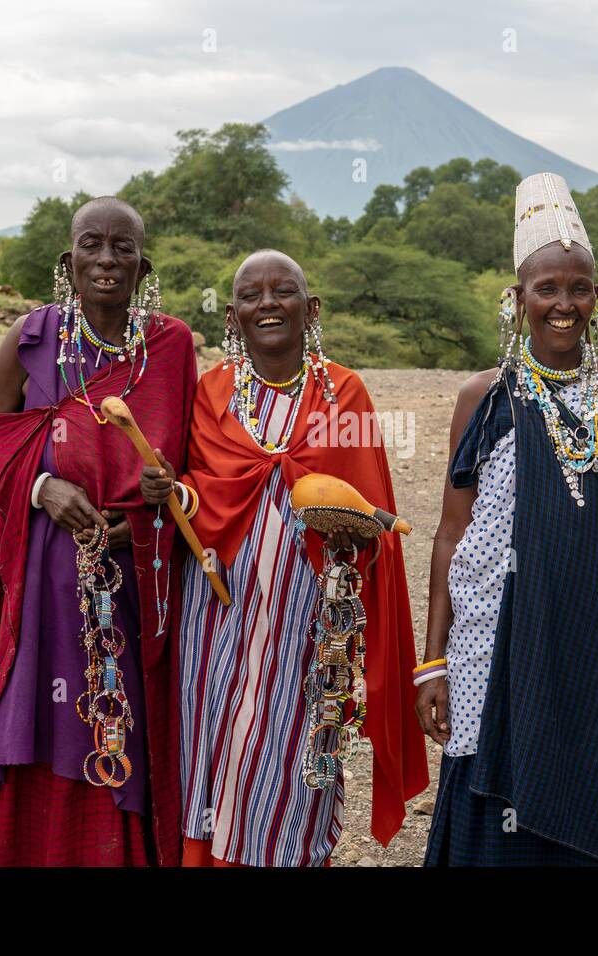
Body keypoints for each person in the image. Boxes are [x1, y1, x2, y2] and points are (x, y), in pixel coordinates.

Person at [418, 173, 598, 866]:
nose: (564, 304)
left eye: (579, 288)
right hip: (489, 648)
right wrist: (431, 660)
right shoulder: (482, 399)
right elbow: (450, 534)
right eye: (547, 289)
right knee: (491, 822)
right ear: (518, 298)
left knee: (595, 799)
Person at [0, 196, 195, 866]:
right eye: (91, 245)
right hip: (46, 578)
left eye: (122, 248)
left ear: (144, 267)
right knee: (48, 716)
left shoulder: (171, 348)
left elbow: (190, 468)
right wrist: (40, 488)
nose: (106, 260)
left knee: (125, 729)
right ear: (69, 259)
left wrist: (148, 515)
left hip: (137, 578)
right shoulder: (29, 339)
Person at [173, 249, 428, 866]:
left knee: (295, 763)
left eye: (283, 292)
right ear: (231, 318)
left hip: (309, 624)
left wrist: (350, 526)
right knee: (214, 752)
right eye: (251, 296)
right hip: (216, 619)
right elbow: (195, 489)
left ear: (309, 308)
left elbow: (372, 515)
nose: (268, 304)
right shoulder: (211, 393)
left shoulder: (345, 393)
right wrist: (174, 493)